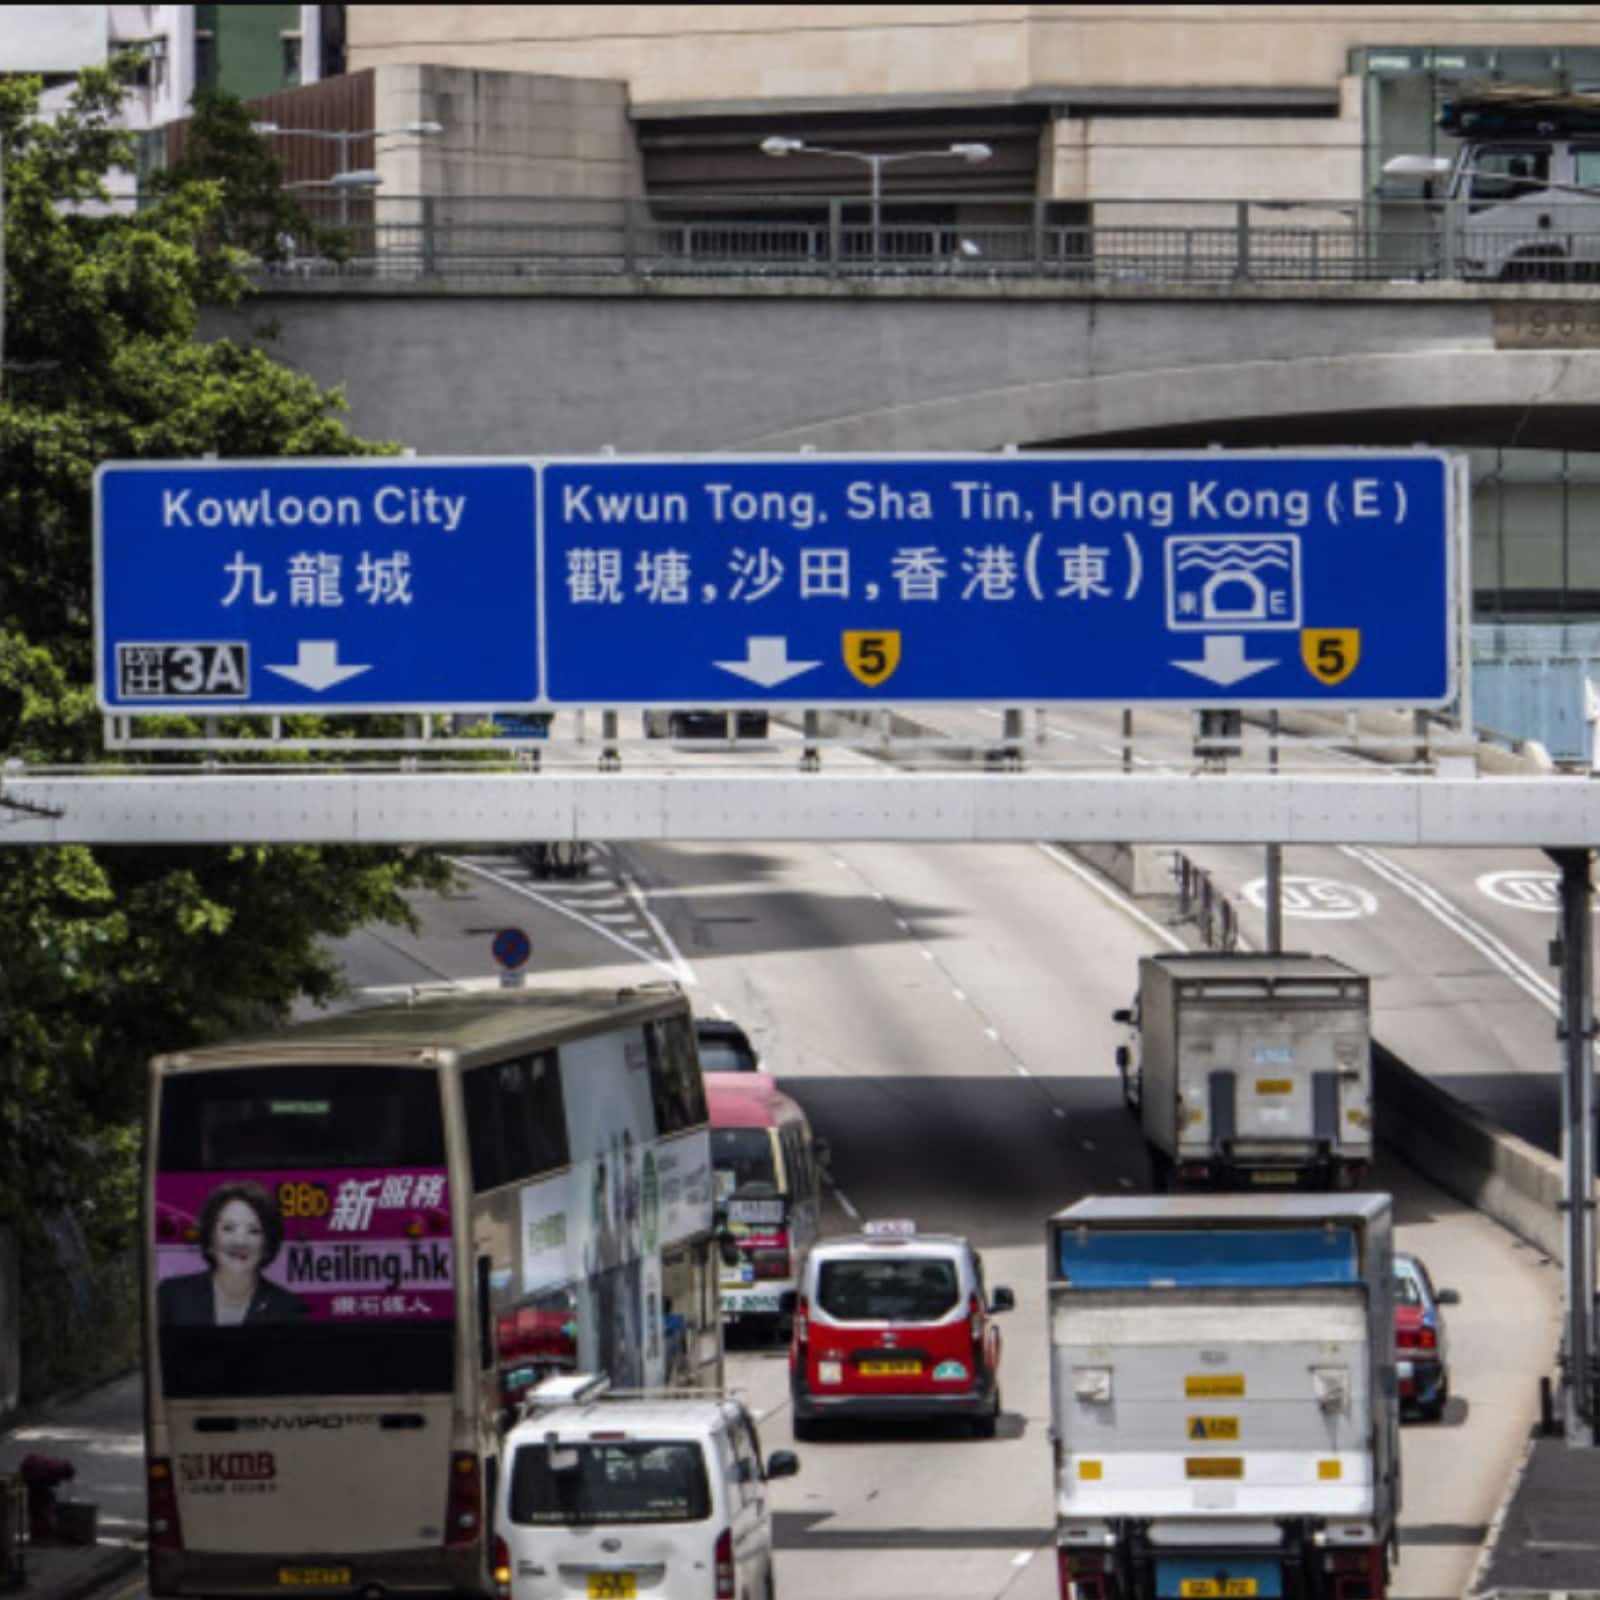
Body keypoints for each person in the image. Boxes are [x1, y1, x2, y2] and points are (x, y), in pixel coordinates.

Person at [158, 1180, 307, 1326]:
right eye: (228, 1228)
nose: (239, 1242)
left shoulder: (288, 1308)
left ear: (266, 1247)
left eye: (253, 1231)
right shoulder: (171, 1295)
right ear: (210, 1239)